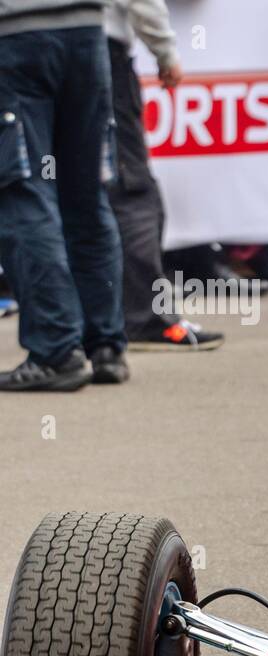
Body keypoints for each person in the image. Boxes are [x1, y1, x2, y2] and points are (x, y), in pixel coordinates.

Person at [0, 0, 128, 391]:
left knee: (25, 194)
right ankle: (105, 345)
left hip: (16, 36)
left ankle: (57, 351)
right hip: (86, 31)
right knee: (85, 195)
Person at [106, 0, 224, 351]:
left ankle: (82, 328)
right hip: (93, 50)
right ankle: (144, 317)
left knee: (68, 188)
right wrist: (165, 51)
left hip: (26, 47)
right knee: (131, 188)